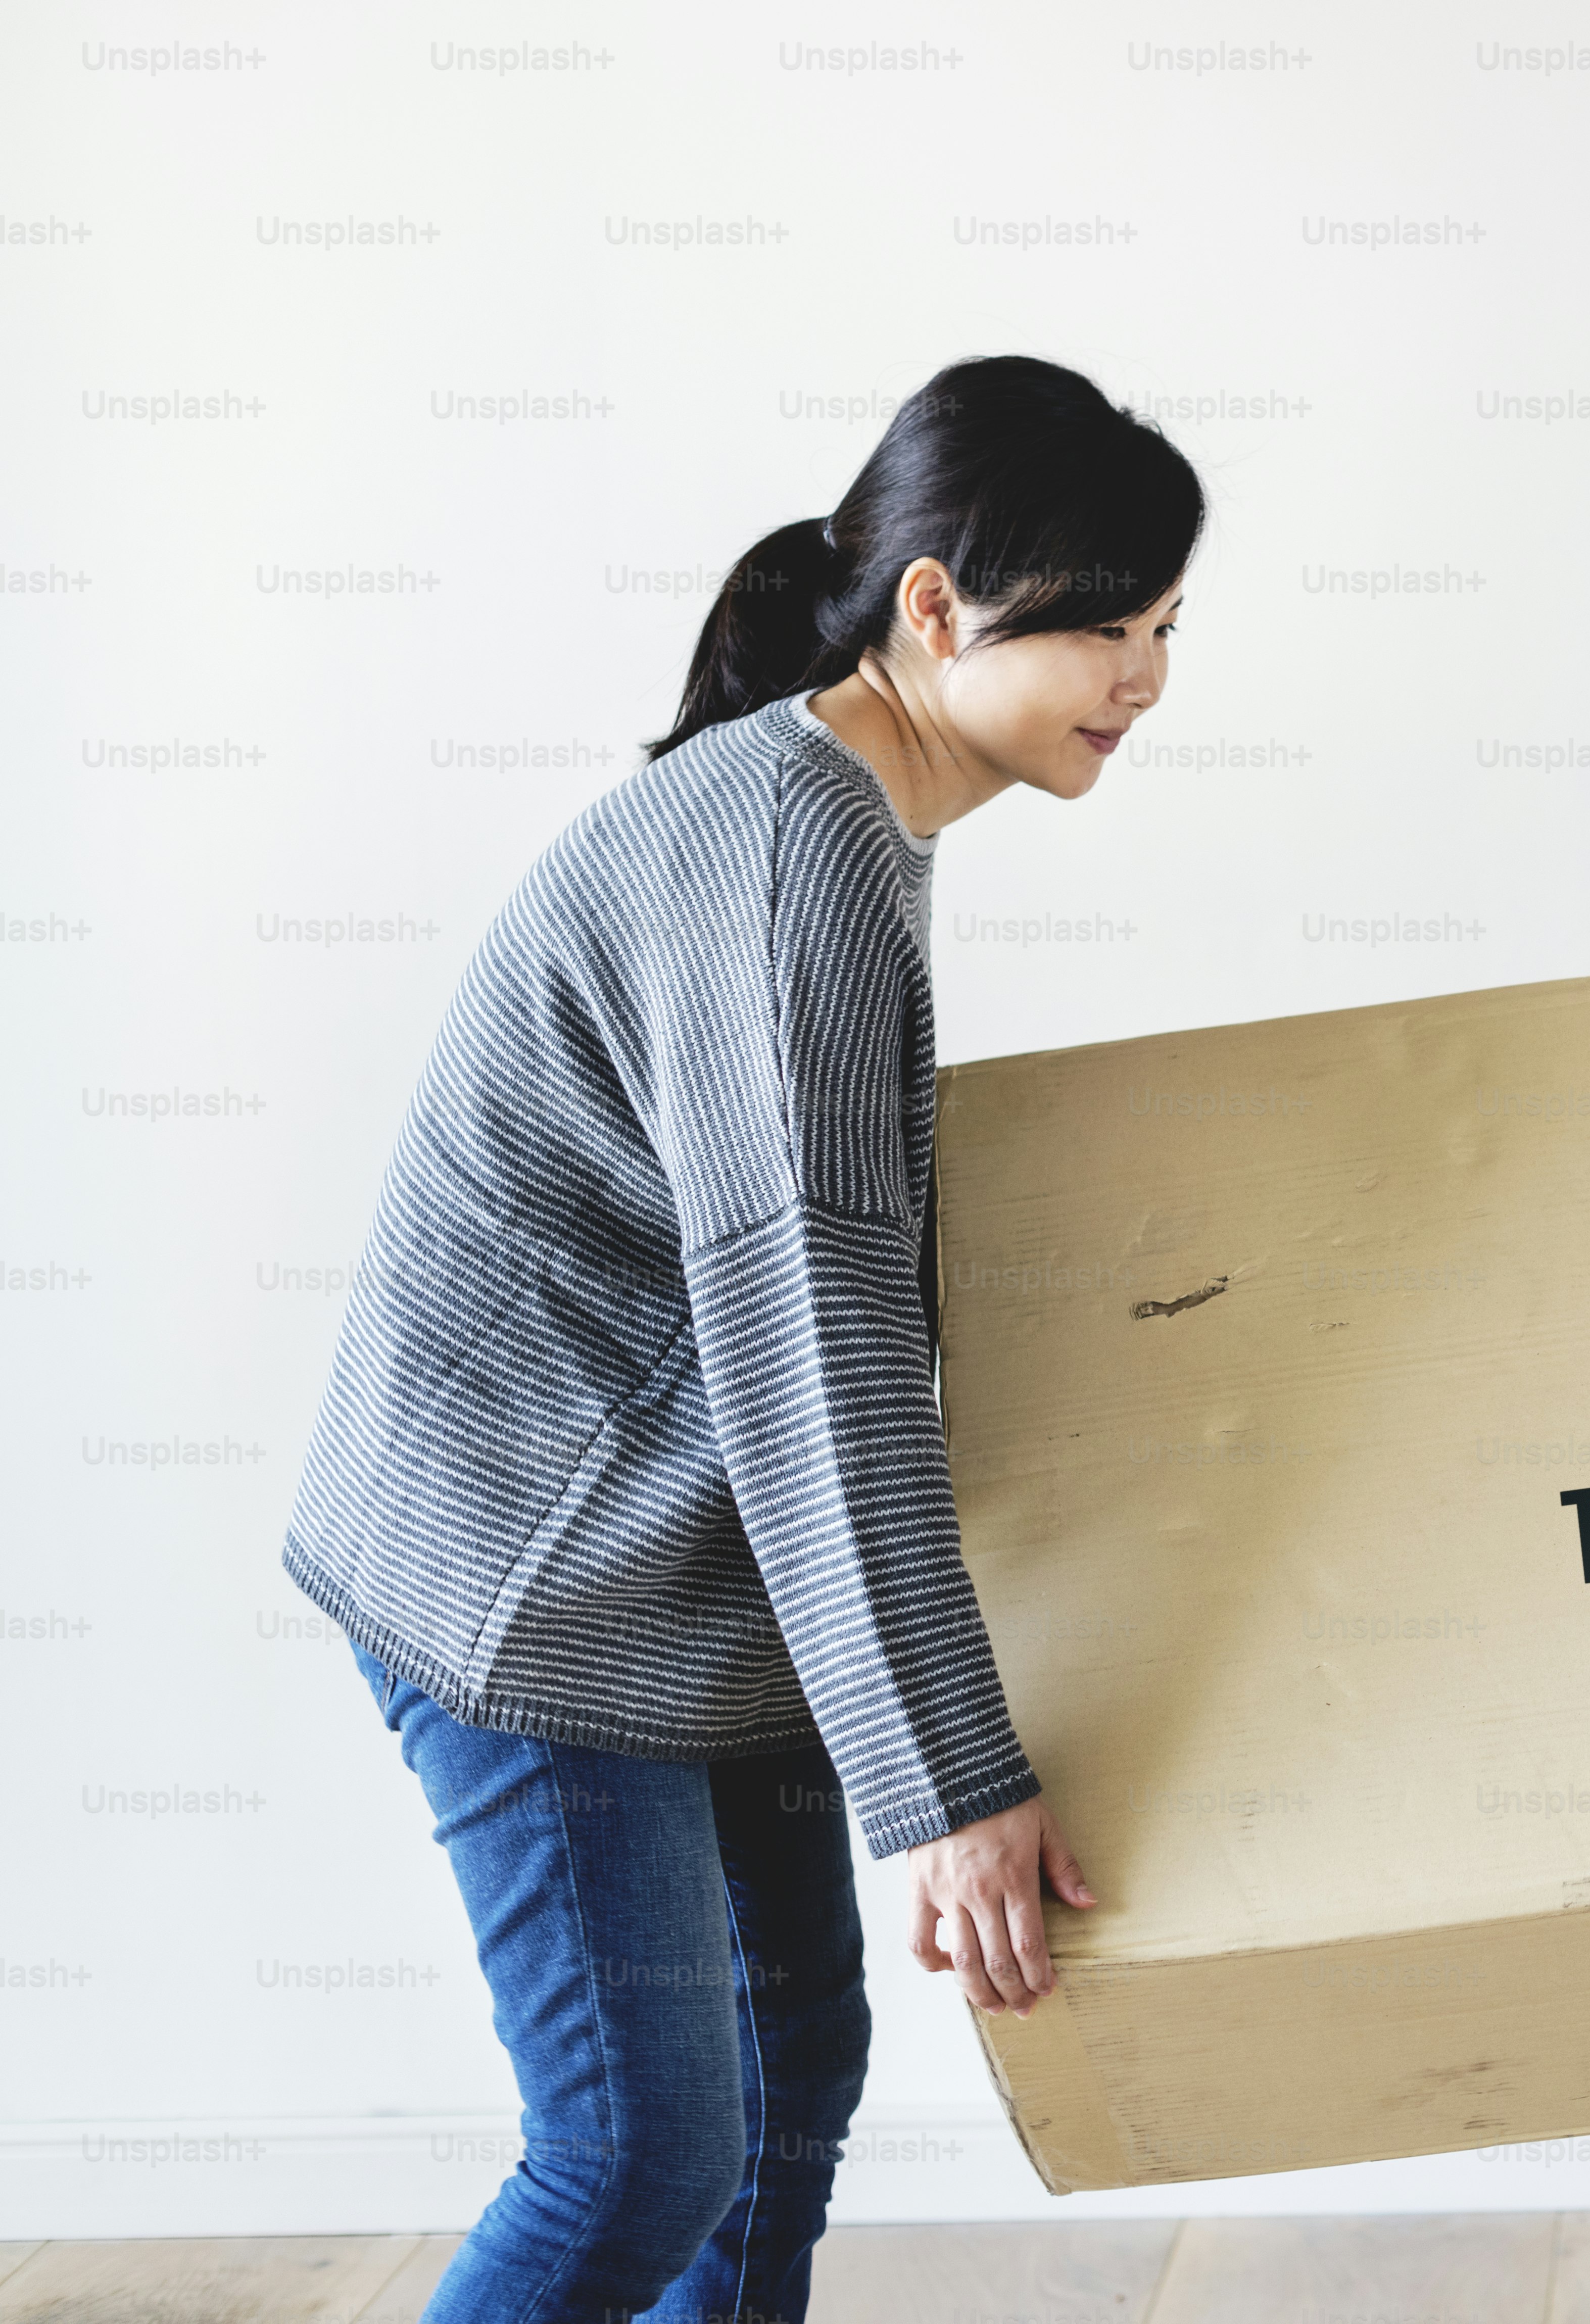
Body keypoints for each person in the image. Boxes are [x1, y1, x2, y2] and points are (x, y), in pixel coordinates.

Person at [281, 355, 1202, 2323]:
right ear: (938, 607)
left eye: (1165, 629)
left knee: (789, 2086)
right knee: (639, 2152)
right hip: (541, 1585)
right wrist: (953, 1781)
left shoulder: (848, 821)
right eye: (1107, 628)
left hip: (686, 1582)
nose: (1143, 677)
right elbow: (812, 1352)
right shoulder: (789, 843)